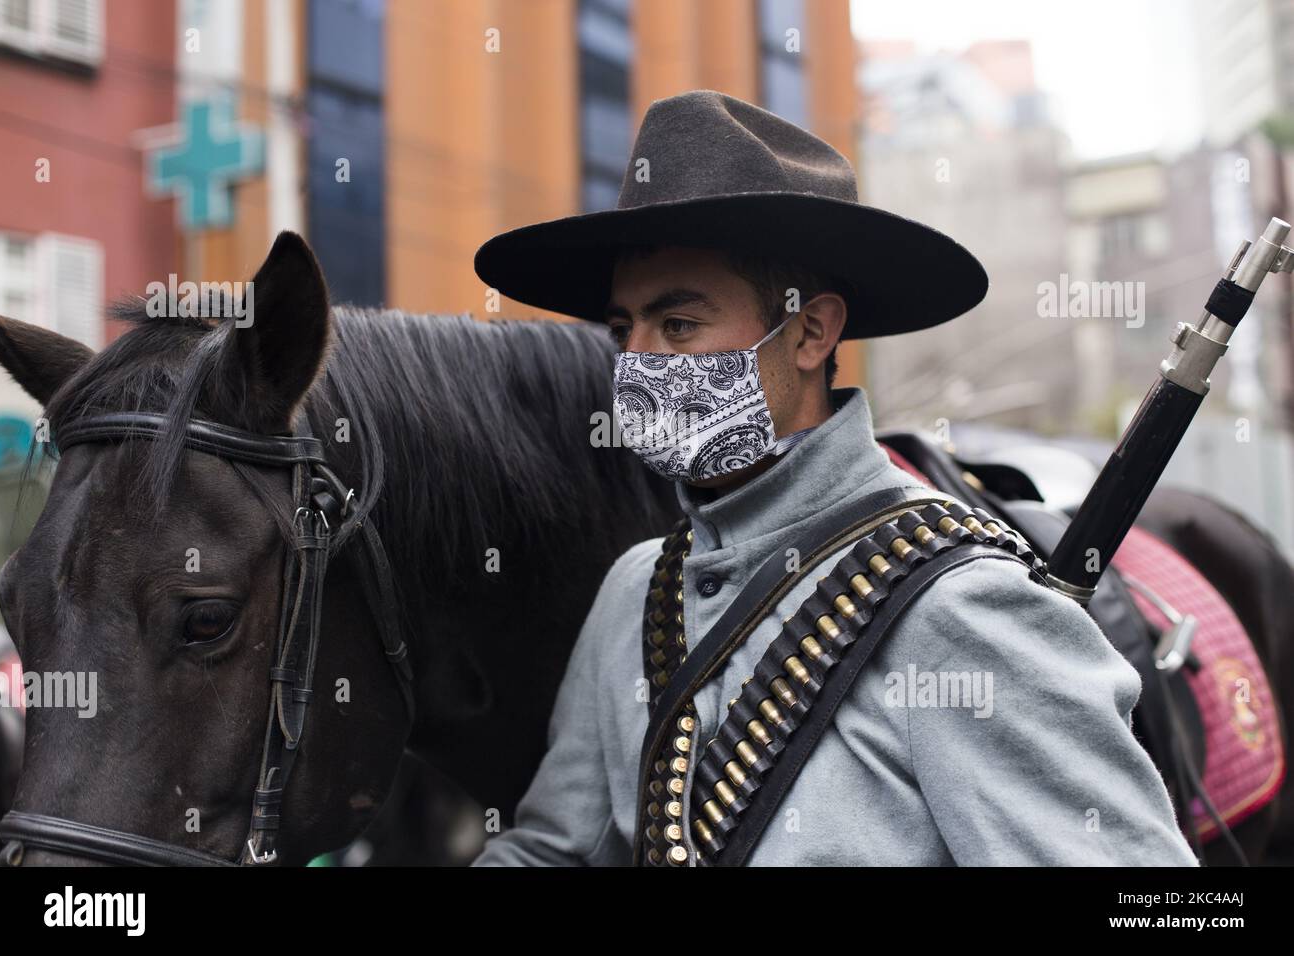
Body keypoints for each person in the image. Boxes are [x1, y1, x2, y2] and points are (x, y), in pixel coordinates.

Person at [470, 89, 1198, 866]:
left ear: (811, 331)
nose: (638, 361)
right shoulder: (635, 590)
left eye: (677, 324)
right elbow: (556, 849)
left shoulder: (960, 606)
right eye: (625, 328)